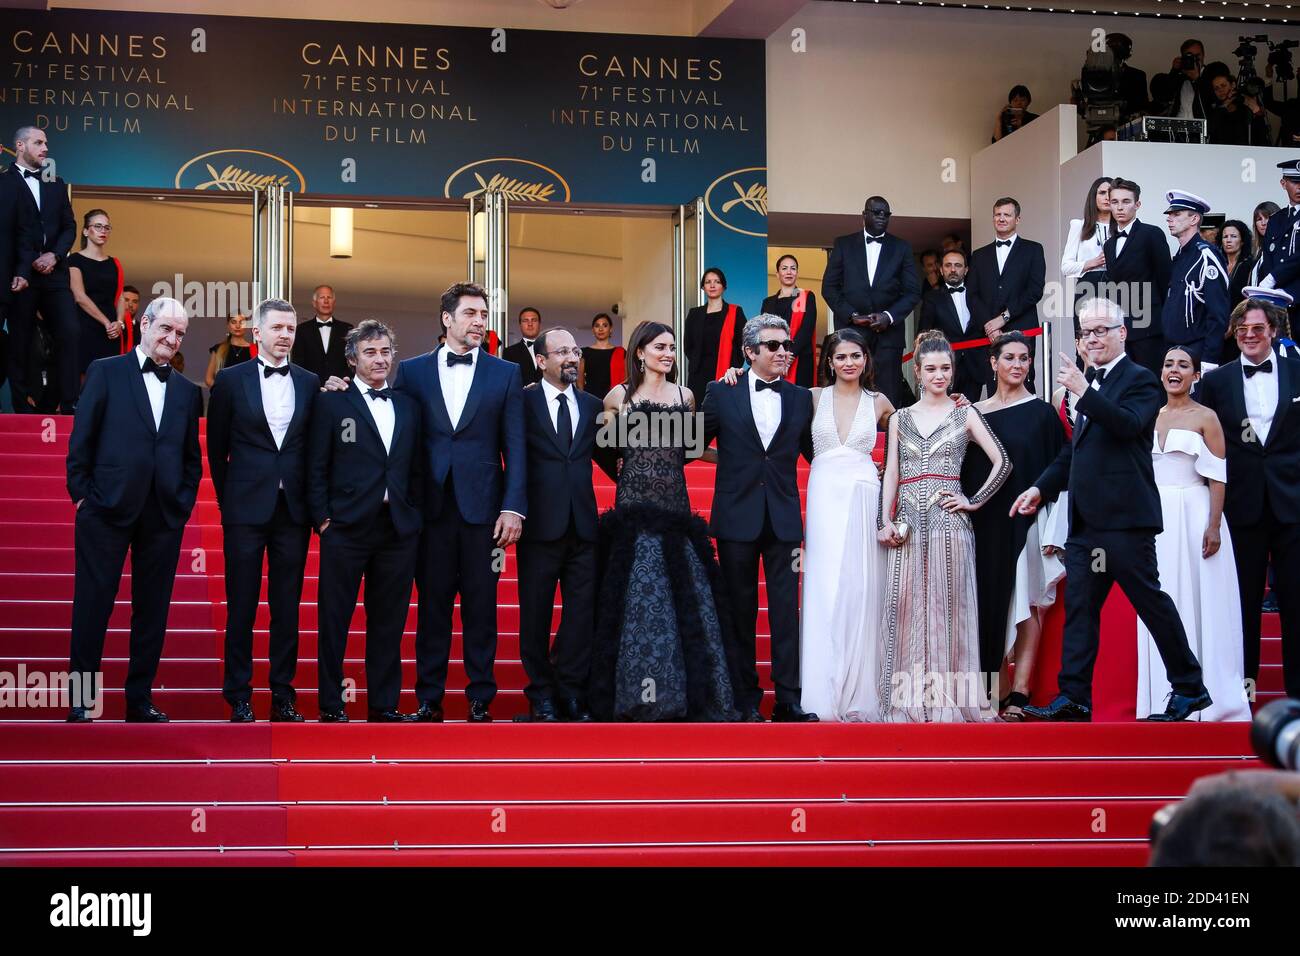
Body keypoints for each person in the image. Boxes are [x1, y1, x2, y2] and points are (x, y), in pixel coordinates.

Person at [1011, 298, 1211, 722]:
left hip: (1125, 521)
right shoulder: (1091, 382)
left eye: (1102, 330)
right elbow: (1075, 453)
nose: (1094, 338)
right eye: (1086, 332)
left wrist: (1084, 392)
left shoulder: (1140, 380)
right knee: (1081, 609)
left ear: (1123, 333)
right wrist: (1039, 488)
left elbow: (1128, 426)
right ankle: (1075, 698)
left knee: (1150, 603)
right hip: (1086, 523)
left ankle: (1190, 687)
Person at [589, 320, 736, 721]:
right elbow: (604, 446)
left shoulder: (686, 396)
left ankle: (682, 696)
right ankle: (631, 696)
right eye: (659, 347)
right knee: (634, 600)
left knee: (681, 600)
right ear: (639, 352)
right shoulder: (618, 396)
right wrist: (624, 474)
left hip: (675, 507)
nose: (668, 353)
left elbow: (690, 449)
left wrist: (735, 458)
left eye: (672, 347)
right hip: (632, 509)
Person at [64, 297, 202, 721]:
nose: (171, 338)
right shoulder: (107, 371)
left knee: (153, 609)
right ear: (145, 324)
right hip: (106, 508)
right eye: (165, 329)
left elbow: (190, 460)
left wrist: (180, 503)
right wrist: (82, 494)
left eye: (179, 333)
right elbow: (81, 440)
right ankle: (82, 701)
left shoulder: (187, 391)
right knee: (93, 604)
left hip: (162, 514)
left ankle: (139, 699)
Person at [393, 282, 526, 723]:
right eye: (470, 313)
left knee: (481, 605)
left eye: (484, 314)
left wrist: (513, 507)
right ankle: (428, 699)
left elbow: (516, 446)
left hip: (484, 511)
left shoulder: (504, 373)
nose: (479, 322)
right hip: (429, 510)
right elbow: (400, 441)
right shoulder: (411, 372)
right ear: (447, 318)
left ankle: (479, 698)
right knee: (431, 606)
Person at [877, 332, 1010, 723]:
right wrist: (883, 521)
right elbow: (892, 475)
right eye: (931, 368)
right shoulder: (900, 418)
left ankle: (949, 699)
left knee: (949, 611)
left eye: (946, 368)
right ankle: (907, 698)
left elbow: (1002, 461)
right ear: (916, 371)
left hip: (950, 524)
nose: (939, 375)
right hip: (907, 526)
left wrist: (973, 500)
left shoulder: (966, 413)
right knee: (905, 611)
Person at [206, 299, 318, 723]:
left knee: (287, 607)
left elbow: (314, 447)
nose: (285, 335)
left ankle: (283, 696)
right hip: (244, 510)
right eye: (277, 328)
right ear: (257, 333)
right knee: (242, 606)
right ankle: (239, 695)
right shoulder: (231, 381)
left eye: (290, 328)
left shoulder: (309, 381)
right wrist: (227, 501)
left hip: (293, 510)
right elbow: (216, 450)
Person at [702, 314, 817, 721]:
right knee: (739, 610)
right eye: (773, 346)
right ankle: (744, 698)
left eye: (787, 345)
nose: (784, 351)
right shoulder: (721, 392)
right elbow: (695, 444)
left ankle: (789, 698)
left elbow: (815, 453)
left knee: (787, 612)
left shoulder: (802, 398)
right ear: (749, 352)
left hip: (783, 518)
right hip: (736, 517)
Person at [308, 320, 422, 723]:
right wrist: (322, 518)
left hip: (397, 529)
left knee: (389, 621)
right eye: (370, 352)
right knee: (334, 619)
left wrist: (415, 516)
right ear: (352, 358)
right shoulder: (331, 402)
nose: (380, 359)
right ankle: (331, 705)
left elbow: (417, 467)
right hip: (346, 527)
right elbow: (316, 464)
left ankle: (384, 704)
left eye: (386, 351)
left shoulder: (408, 404)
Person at [1198, 289, 1300, 702]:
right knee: (1241, 605)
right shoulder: (1217, 381)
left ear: (1273, 330)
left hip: (1293, 504)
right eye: (1243, 329)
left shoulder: (1298, 370)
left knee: (1295, 602)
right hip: (1241, 507)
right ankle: (1243, 693)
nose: (1250, 335)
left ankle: (1296, 697)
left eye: (1258, 328)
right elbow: (1204, 445)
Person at [963, 332, 1066, 720]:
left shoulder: (1041, 413)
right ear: (993, 362)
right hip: (980, 521)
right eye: (1009, 357)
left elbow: (1060, 468)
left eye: (1025, 358)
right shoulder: (972, 411)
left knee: (1027, 604)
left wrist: (1050, 520)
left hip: (1025, 520)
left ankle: (1019, 694)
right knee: (985, 603)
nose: (1018, 365)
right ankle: (995, 691)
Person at [1142, 346, 1248, 721]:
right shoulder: (1149, 416)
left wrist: (1214, 524)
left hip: (1198, 512)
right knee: (1164, 598)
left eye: (1183, 365)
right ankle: (1164, 695)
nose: (1174, 370)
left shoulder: (1207, 417)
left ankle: (1215, 696)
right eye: (1168, 364)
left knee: (1204, 600)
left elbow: (1218, 474)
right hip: (1158, 518)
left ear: (1195, 375)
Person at [799, 328, 894, 721]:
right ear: (829, 361)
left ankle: (859, 690)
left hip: (862, 494)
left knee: (859, 587)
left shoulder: (881, 402)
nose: (849, 363)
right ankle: (822, 692)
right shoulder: (811, 398)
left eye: (856, 356)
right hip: (823, 495)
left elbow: (915, 432)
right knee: (823, 588)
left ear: (866, 360)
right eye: (841, 357)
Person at [517, 328, 606, 722]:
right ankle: (542, 695)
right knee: (534, 615)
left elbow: (615, 456)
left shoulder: (593, 405)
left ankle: (571, 691)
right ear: (541, 360)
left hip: (584, 527)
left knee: (580, 616)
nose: (572, 357)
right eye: (563, 352)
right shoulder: (521, 401)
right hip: (537, 526)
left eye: (575, 351)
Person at [6, 126, 78, 414]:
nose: (45, 148)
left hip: (55, 274)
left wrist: (55, 255)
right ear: (20, 145)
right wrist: (23, 266)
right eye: (38, 142)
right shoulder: (4, 182)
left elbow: (69, 227)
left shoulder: (56, 184)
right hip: (21, 276)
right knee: (20, 338)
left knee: (70, 332)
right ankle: (21, 406)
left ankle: (69, 402)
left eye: (46, 142)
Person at [823, 196, 921, 407]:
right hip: (851, 334)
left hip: (888, 336)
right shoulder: (843, 244)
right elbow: (829, 288)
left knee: (888, 395)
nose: (881, 217)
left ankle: (887, 440)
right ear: (864, 215)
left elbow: (913, 292)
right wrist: (852, 316)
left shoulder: (901, 247)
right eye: (876, 213)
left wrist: (888, 316)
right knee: (850, 393)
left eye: (886, 214)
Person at [966, 197, 1046, 387]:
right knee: (993, 383)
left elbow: (1034, 291)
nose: (1001, 219)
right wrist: (990, 326)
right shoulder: (979, 255)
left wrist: (1003, 318)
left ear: (1017, 219)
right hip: (989, 334)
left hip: (1023, 328)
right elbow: (972, 295)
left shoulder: (1033, 250)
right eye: (998, 215)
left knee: (1024, 382)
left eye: (1007, 215)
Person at [1102, 178, 1173, 377]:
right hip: (1120, 330)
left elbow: (1166, 280)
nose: (1120, 208)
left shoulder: (1152, 234)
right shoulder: (1109, 245)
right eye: (1115, 202)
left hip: (1149, 329)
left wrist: (1162, 323)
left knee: (1152, 385)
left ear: (1137, 204)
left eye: (1126, 202)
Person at [1162, 191, 1230, 368]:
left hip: (1196, 351)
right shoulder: (1179, 256)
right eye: (1169, 215)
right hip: (1174, 349)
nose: (1170, 219)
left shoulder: (1206, 256)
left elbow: (1218, 313)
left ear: (1194, 219)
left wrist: (1209, 359)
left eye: (1177, 214)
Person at [918, 249, 989, 402]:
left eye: (958, 265)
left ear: (966, 270)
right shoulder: (931, 298)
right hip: (944, 367)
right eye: (948, 265)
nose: (953, 269)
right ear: (941, 270)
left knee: (971, 412)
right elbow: (923, 332)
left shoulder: (978, 296)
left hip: (975, 365)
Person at [66, 209, 124, 388]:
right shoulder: (74, 260)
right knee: (84, 376)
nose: (103, 231)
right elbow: (79, 296)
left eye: (107, 227)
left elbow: (120, 296)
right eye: (98, 226)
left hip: (111, 331)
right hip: (86, 326)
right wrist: (107, 322)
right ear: (85, 231)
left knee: (110, 378)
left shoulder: (114, 262)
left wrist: (119, 323)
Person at [0, 160, 37, 408]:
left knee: (18, 347)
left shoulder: (12, 185)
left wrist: (23, 271)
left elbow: (25, 233)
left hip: (6, 281)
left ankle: (21, 409)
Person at [683, 267, 744, 402]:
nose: (712, 285)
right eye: (708, 282)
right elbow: (688, 345)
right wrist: (696, 361)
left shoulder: (736, 312)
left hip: (726, 372)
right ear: (703, 287)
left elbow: (743, 344)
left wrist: (734, 366)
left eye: (717, 281)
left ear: (723, 286)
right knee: (697, 415)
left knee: (724, 413)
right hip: (698, 373)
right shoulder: (694, 314)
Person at [1252, 159, 1300, 332]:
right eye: (1295, 182)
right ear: (1283, 183)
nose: (1299, 187)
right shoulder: (1276, 219)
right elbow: (1269, 256)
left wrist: (1273, 278)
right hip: (1278, 304)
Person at [761, 253, 818, 387]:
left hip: (799, 358)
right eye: (784, 268)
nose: (789, 272)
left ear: (797, 273)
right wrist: (779, 355)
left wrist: (789, 355)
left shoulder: (806, 296)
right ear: (777, 274)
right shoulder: (768, 303)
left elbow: (807, 328)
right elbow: (763, 331)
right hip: (773, 359)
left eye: (793, 268)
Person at [1061, 177, 1113, 303]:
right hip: (1088, 288)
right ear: (1093, 197)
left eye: (1111, 193)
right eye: (1102, 193)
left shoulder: (1124, 228)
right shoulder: (1079, 226)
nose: (1107, 197)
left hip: (1119, 288)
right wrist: (1093, 263)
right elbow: (1066, 267)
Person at [290, 284, 353, 383]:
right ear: (314, 303)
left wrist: (346, 379)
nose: (326, 301)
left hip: (340, 388)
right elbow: (298, 363)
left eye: (329, 297)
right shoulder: (301, 330)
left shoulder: (347, 329)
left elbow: (352, 360)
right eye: (322, 297)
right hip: (310, 388)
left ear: (334, 302)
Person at [1205, 66, 1271, 146]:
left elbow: (1260, 132)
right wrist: (1226, 103)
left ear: (1232, 85)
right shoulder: (1215, 109)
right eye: (1216, 88)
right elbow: (1210, 129)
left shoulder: (1245, 102)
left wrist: (1253, 107)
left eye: (1223, 85)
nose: (1220, 90)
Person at [578, 312, 624, 397]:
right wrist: (583, 400)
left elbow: (626, 381)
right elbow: (579, 382)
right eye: (597, 326)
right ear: (593, 330)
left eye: (605, 325)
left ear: (611, 329)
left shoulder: (621, 352)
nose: (601, 329)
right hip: (590, 399)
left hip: (615, 398)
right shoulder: (584, 352)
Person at [203, 314, 254, 389]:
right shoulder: (219, 349)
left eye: (241, 322)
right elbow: (208, 379)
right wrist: (223, 392)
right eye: (233, 322)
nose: (237, 326)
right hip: (224, 398)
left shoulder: (254, 349)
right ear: (228, 325)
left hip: (247, 398)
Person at [502, 306, 544, 387]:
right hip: (522, 398)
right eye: (525, 321)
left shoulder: (550, 349)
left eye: (534, 320)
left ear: (539, 324)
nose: (530, 324)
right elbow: (507, 381)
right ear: (520, 325)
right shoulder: (509, 352)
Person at [1221, 219, 1254, 314]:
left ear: (1242, 241)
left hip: (1241, 318)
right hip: (1220, 319)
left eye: (1233, 236)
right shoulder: (1218, 265)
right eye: (1225, 237)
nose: (1228, 240)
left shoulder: (1249, 265)